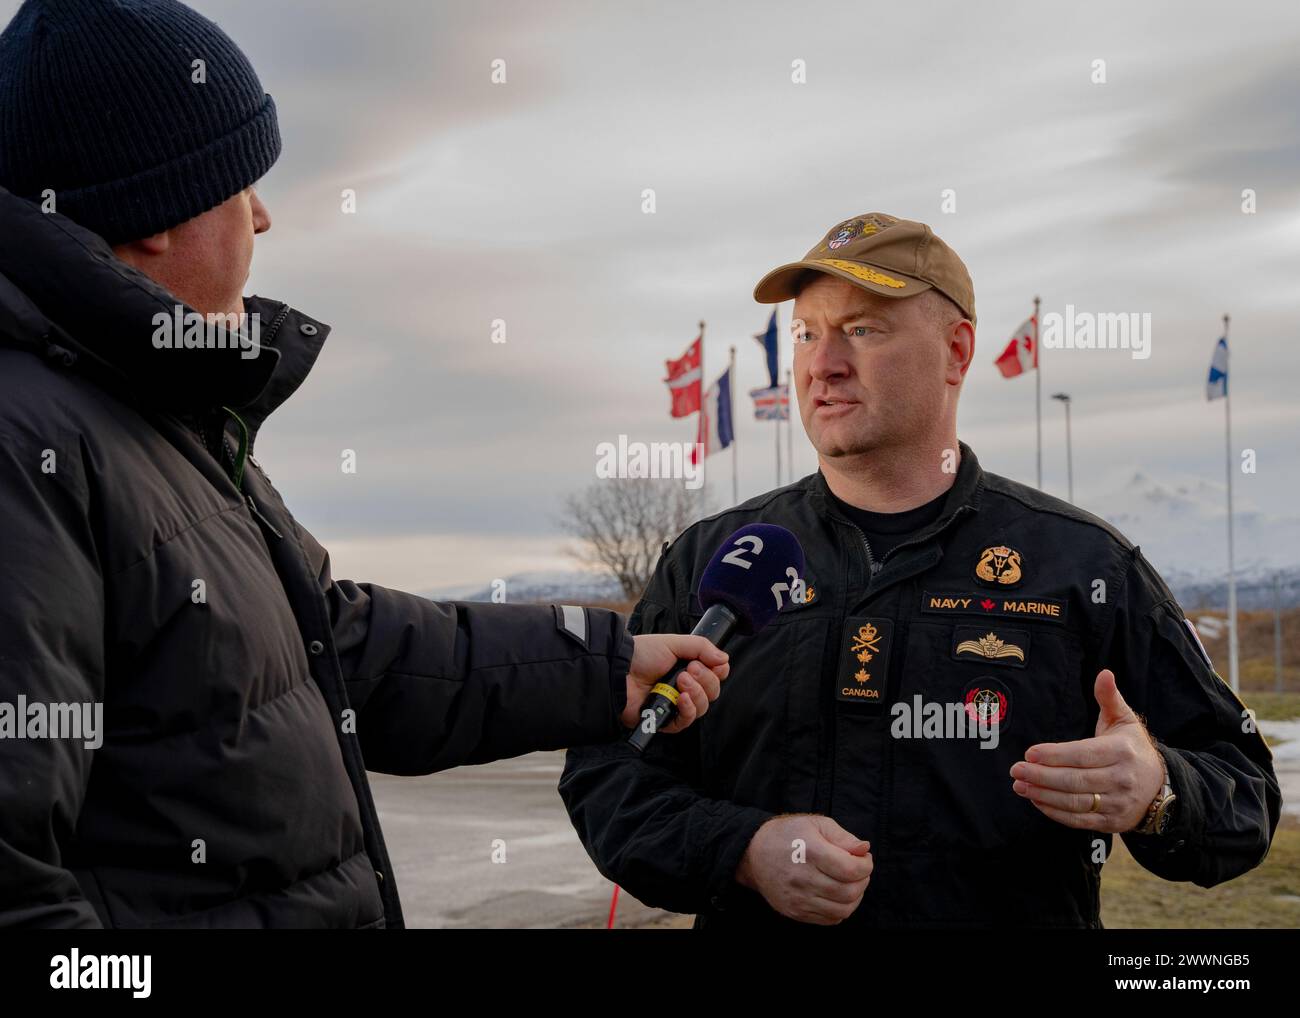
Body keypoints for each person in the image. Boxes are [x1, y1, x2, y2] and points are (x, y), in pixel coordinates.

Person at [0, 0, 727, 929]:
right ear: (156, 212)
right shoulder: (32, 450)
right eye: (238, 184)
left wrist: (603, 668)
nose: (263, 215)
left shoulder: (152, 419)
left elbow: (333, 653)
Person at [560, 211, 1281, 928]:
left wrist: (1159, 789)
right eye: (807, 333)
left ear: (956, 351)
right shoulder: (716, 559)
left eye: (862, 330)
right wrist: (741, 848)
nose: (823, 363)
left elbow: (1244, 796)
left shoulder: (1084, 566)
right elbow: (608, 773)